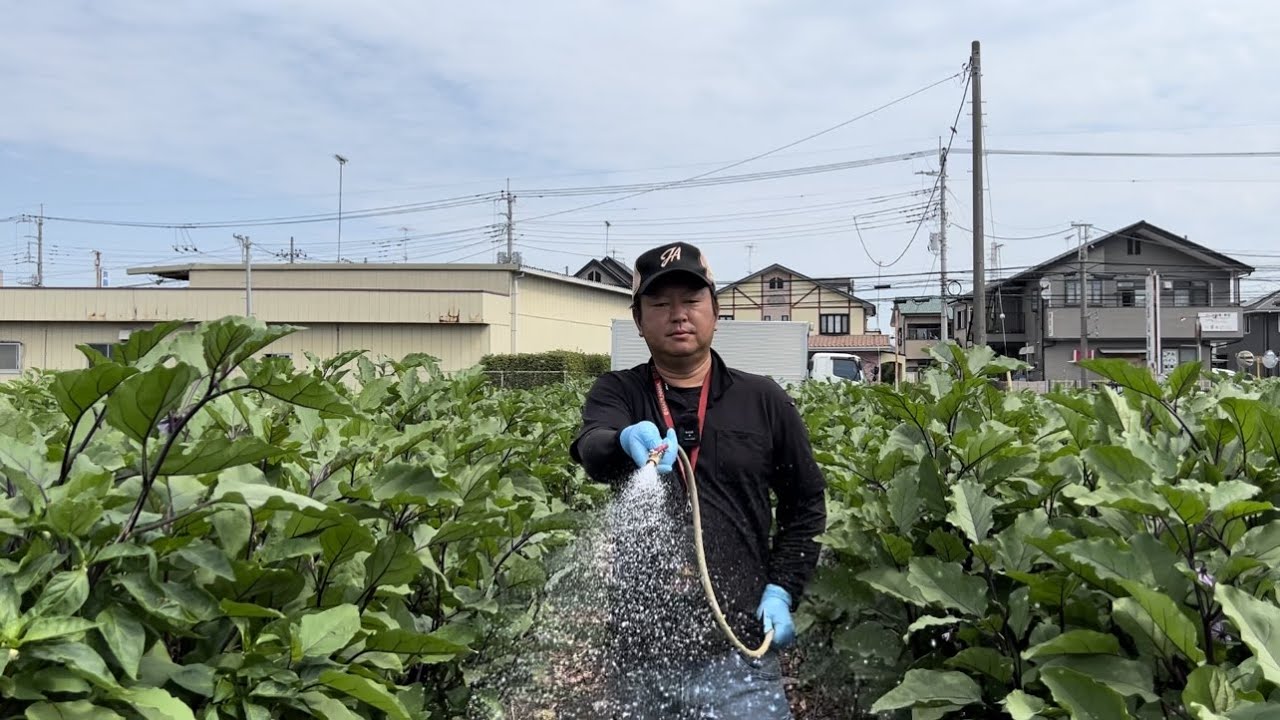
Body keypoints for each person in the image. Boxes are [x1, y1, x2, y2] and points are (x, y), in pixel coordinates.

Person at [569, 241, 828, 719]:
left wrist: (784, 588)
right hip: (643, 658)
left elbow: (806, 502)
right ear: (639, 318)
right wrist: (622, 439)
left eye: (691, 300)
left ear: (714, 309)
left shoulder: (763, 399)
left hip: (740, 651)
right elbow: (593, 449)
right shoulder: (619, 392)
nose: (678, 315)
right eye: (660, 304)